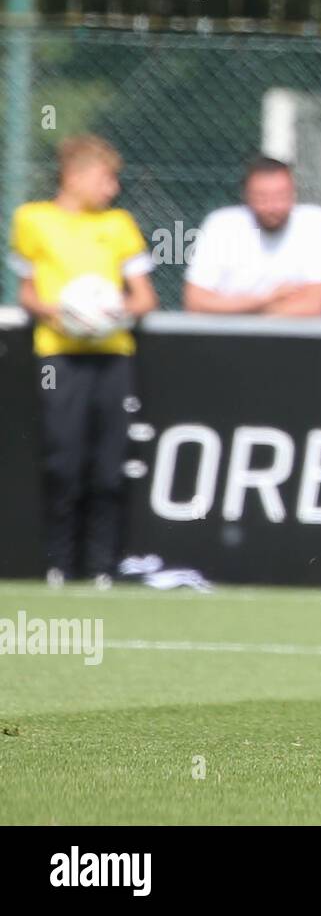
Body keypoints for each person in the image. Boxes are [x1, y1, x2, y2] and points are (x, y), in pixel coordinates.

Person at [9, 135, 158, 589]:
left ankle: (100, 567)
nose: (112, 189)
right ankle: (58, 564)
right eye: (105, 177)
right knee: (63, 461)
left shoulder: (119, 224)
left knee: (109, 466)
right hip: (60, 357)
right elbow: (28, 292)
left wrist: (112, 313)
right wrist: (61, 313)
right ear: (74, 176)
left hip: (112, 356)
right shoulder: (32, 219)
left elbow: (144, 298)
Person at [183, 157, 321, 316]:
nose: (272, 207)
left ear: (294, 193)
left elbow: (312, 307)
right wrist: (266, 300)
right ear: (246, 196)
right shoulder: (220, 224)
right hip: (228, 339)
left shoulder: (319, 223)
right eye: (262, 197)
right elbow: (196, 303)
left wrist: (233, 309)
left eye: (281, 196)